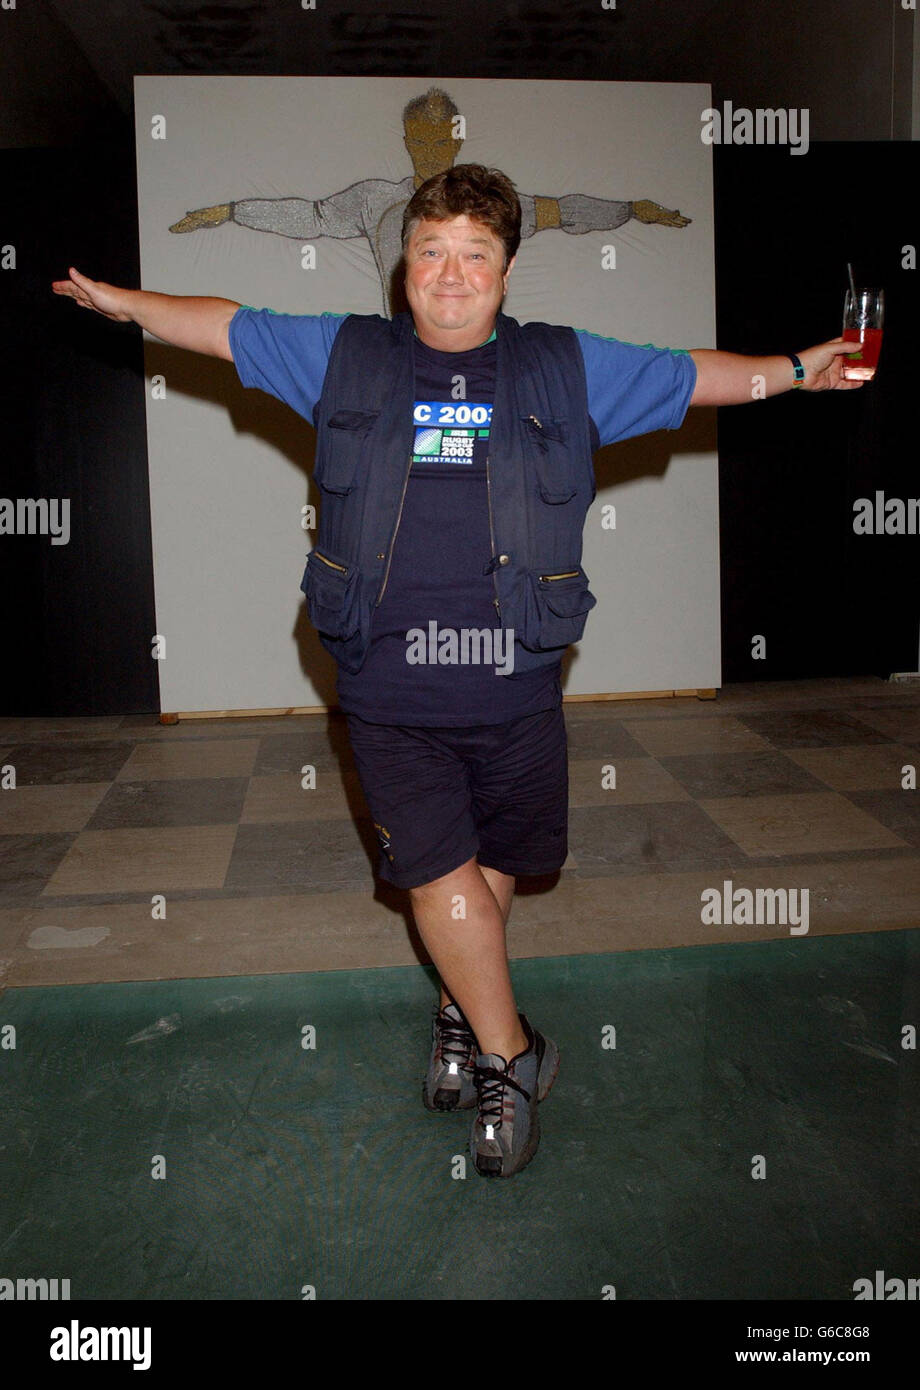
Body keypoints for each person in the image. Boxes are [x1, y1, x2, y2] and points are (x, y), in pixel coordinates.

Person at [52, 163, 863, 1181]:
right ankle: (509, 1054)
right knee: (436, 874)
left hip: (517, 681)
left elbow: (689, 373)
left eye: (473, 253)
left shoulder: (565, 368)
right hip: (389, 685)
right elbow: (225, 324)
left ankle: (454, 1011)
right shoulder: (343, 357)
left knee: (495, 867)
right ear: (404, 266)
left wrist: (799, 367)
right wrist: (124, 303)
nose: (449, 272)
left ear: (506, 271)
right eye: (430, 249)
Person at [168, 85, 691, 314]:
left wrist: (630, 211)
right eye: (419, 138)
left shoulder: (491, 203)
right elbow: (308, 218)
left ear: (456, 139)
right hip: (403, 343)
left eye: (440, 139)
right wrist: (231, 212)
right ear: (406, 141)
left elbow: (564, 211)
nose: (429, 149)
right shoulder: (376, 202)